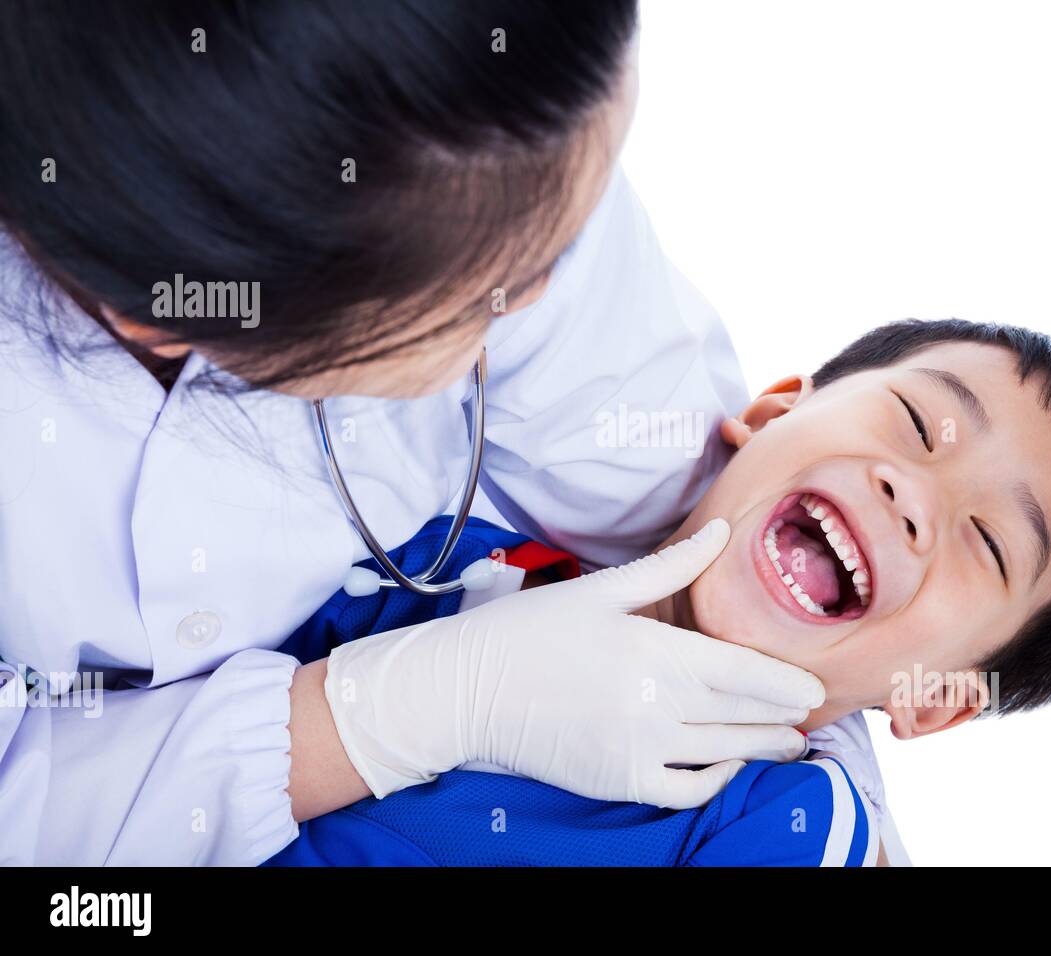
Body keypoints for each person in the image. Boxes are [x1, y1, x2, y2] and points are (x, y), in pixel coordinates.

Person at [0, 1, 823, 866]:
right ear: (161, 318)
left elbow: (707, 500)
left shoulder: (486, 127)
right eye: (489, 292)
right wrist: (385, 716)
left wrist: (838, 754)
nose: (547, 294)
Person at [266, 318, 1051, 866]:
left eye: (986, 544)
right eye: (915, 423)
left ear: (936, 702)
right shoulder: (450, 565)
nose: (915, 497)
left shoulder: (791, 820)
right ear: (773, 415)